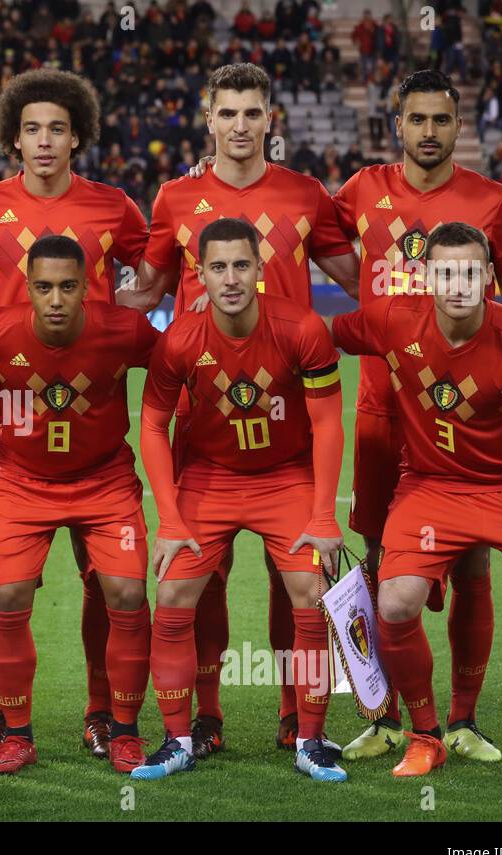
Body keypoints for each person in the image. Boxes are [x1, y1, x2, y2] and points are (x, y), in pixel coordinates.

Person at [120, 62, 357, 759]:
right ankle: (207, 715)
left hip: (291, 415)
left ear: (271, 118)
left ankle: (297, 719)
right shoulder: (175, 195)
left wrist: (443, 282)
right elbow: (146, 292)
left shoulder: (307, 193)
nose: (241, 125)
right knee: (203, 578)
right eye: (229, 113)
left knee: (298, 587)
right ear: (209, 117)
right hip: (208, 420)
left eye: (253, 113)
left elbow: (361, 279)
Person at [0, 68, 149, 760]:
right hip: (9, 410)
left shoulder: (115, 208)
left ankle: (103, 712)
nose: (44, 141)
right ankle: (4, 714)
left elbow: (158, 277)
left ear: (77, 135)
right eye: (31, 129)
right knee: (2, 578)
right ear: (12, 140)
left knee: (108, 578)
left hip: (90, 402)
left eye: (57, 128)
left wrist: (115, 320)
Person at [327, 221, 502, 778]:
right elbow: (320, 335)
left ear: (490, 276)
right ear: (425, 277)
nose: (459, 283)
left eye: (471, 270)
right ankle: (426, 736)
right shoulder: (395, 319)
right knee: (395, 602)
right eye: (446, 271)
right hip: (431, 486)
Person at [333, 70, 502, 763]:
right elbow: (324, 253)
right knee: (379, 565)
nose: (428, 132)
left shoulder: (494, 201)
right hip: (380, 410)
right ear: (397, 124)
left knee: (473, 556)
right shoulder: (360, 191)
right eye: (416, 119)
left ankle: (464, 719)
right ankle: (388, 713)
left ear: (459, 125)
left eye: (440, 120)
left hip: (466, 418)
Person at [0, 235, 158, 775]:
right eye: (43, 287)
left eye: (67, 287)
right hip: (21, 482)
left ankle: (123, 731)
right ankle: (16, 734)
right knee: (7, 594)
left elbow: (183, 360)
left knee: (126, 590)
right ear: (27, 288)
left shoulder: (124, 330)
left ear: (86, 287)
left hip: (104, 480)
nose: (55, 299)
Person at [137, 217, 346, 782]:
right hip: (210, 478)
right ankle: (178, 737)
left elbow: (328, 424)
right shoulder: (179, 338)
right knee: (174, 585)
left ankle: (311, 738)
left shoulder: (303, 328)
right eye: (218, 267)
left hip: (286, 476)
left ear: (261, 267)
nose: (231, 278)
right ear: (199, 273)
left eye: (241, 265)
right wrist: (169, 518)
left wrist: (324, 516)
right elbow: (152, 427)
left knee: (310, 586)